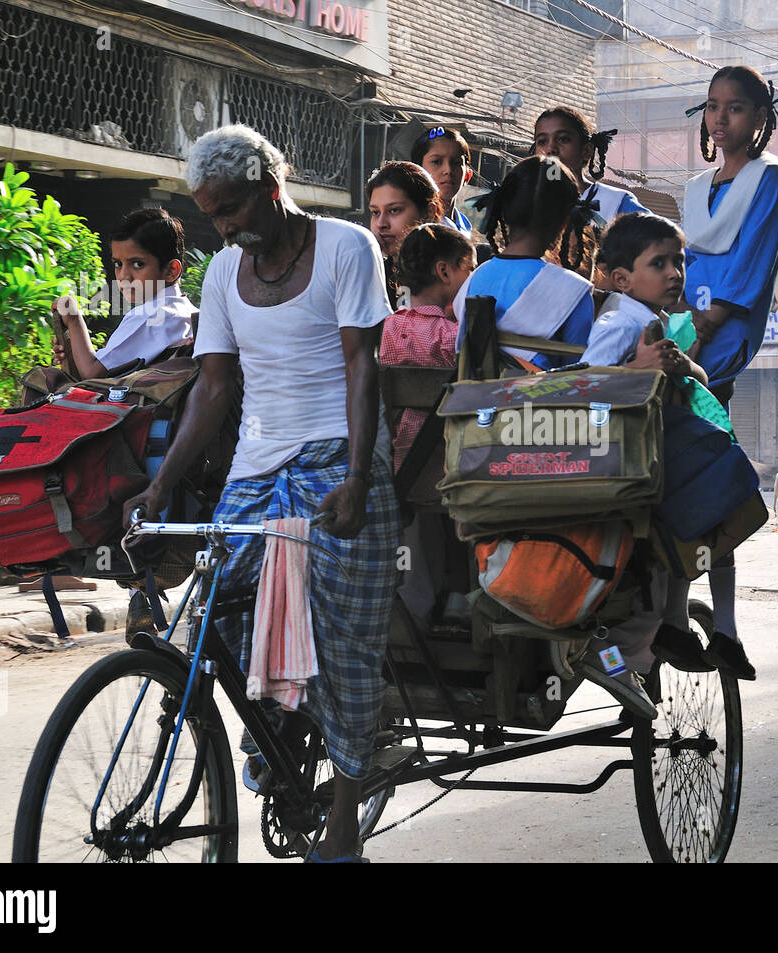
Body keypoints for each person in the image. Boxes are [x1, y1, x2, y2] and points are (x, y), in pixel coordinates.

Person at [124, 124, 399, 863]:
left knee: (343, 640)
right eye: (213, 215)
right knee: (215, 603)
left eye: (233, 210)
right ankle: (277, 724)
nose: (224, 227)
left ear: (270, 190)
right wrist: (161, 485)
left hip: (339, 459)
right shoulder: (220, 275)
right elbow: (213, 388)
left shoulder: (346, 248)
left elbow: (361, 365)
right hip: (256, 469)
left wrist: (357, 476)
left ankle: (343, 822)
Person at [679, 64, 778, 681]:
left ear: (760, 117)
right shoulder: (697, 191)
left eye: (735, 108)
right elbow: (681, 265)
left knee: (711, 486)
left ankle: (722, 626)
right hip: (677, 336)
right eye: (712, 107)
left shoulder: (771, 180)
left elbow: (752, 261)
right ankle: (685, 621)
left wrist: (700, 327)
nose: (720, 119)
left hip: (715, 347)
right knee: (679, 485)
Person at [584, 212, 711, 676]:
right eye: (659, 264)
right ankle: (621, 664)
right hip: (616, 468)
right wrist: (636, 372)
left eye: (679, 261)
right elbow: (584, 388)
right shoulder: (621, 323)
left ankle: (670, 627)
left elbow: (695, 379)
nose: (675, 273)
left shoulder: (652, 321)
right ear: (622, 279)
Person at [380, 223, 475, 635]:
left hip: (399, 468)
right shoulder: (457, 336)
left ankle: (413, 609)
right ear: (445, 271)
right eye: (468, 268)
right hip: (449, 471)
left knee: (417, 538)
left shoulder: (388, 328)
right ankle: (464, 598)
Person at [452, 154, 597, 370]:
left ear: (503, 211)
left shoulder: (474, 280)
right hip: (543, 402)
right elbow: (577, 372)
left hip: (473, 400)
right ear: (566, 222)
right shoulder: (575, 292)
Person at [52, 208, 195, 378]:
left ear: (171, 270)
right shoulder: (186, 312)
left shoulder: (151, 316)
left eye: (137, 264)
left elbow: (92, 374)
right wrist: (74, 349)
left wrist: (74, 320)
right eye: (118, 264)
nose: (124, 276)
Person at [533, 106, 648, 227]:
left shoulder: (615, 202)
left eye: (563, 139)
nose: (550, 149)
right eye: (542, 141)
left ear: (587, 151)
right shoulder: (523, 201)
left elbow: (663, 239)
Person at [366, 161, 444, 309]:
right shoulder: (372, 274)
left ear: (428, 213)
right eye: (375, 212)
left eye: (394, 210)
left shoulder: (448, 274)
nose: (381, 223)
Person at [411, 126, 473, 237]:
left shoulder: (464, 225)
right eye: (436, 162)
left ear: (467, 176)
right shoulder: (415, 225)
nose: (448, 170)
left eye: (455, 162)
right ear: (418, 171)